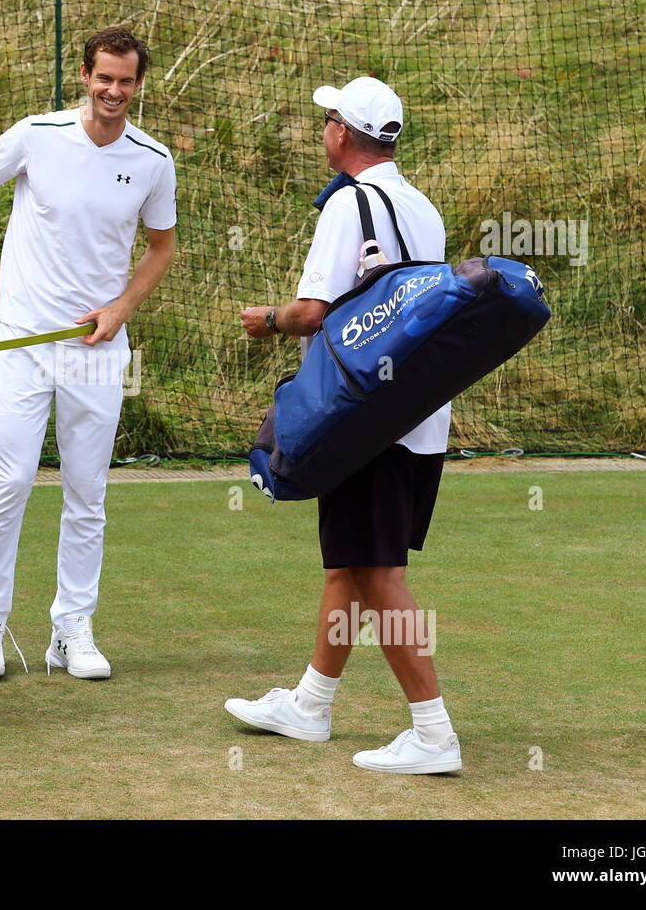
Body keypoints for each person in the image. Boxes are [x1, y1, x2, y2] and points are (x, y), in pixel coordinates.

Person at [228, 77, 462, 774]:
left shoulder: (347, 207)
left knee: (379, 570)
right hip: (416, 410)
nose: (322, 128)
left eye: (327, 118)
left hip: (365, 415)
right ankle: (310, 703)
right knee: (350, 562)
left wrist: (264, 320)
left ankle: (433, 731)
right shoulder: (421, 204)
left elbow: (314, 310)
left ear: (342, 132)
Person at [0, 27, 177, 679]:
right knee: (12, 479)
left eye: (125, 81)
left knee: (87, 492)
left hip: (97, 352)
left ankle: (71, 630)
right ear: (85, 74)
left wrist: (120, 309)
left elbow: (160, 247)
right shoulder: (37, 133)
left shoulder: (153, 159)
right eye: (103, 78)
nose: (113, 91)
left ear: (137, 84)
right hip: (19, 341)